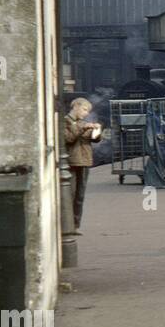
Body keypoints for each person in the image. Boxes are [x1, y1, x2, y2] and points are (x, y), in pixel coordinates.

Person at [64, 98, 100, 232]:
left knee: (80, 196)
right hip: (72, 162)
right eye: (85, 110)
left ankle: (76, 225)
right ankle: (68, 225)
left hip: (85, 162)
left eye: (88, 111)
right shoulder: (65, 121)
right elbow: (68, 138)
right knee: (70, 195)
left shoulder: (83, 123)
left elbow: (94, 139)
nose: (86, 113)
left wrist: (97, 130)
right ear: (76, 106)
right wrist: (82, 128)